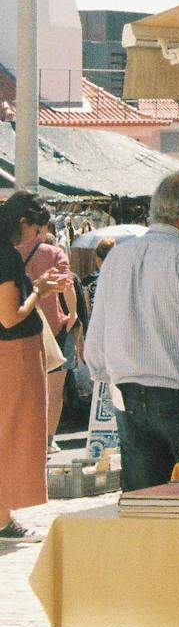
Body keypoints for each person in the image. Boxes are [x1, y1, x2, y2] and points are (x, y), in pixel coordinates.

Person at [84, 171, 179, 492]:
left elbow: (96, 337)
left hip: (128, 395)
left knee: (146, 505)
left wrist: (108, 379)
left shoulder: (117, 257)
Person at [0, 193, 73, 540]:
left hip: (12, 353)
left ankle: (2, 518)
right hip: (14, 354)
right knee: (14, 434)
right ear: (23, 223)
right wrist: (39, 288)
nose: (38, 239)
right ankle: (2, 520)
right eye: (37, 231)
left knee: (9, 434)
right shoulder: (5, 254)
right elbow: (10, 317)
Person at [15, 196, 77, 439]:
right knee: (54, 387)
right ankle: (49, 439)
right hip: (53, 324)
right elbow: (67, 285)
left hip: (20, 326)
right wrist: (72, 314)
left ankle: (25, 436)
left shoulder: (11, 252)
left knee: (23, 388)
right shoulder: (54, 252)